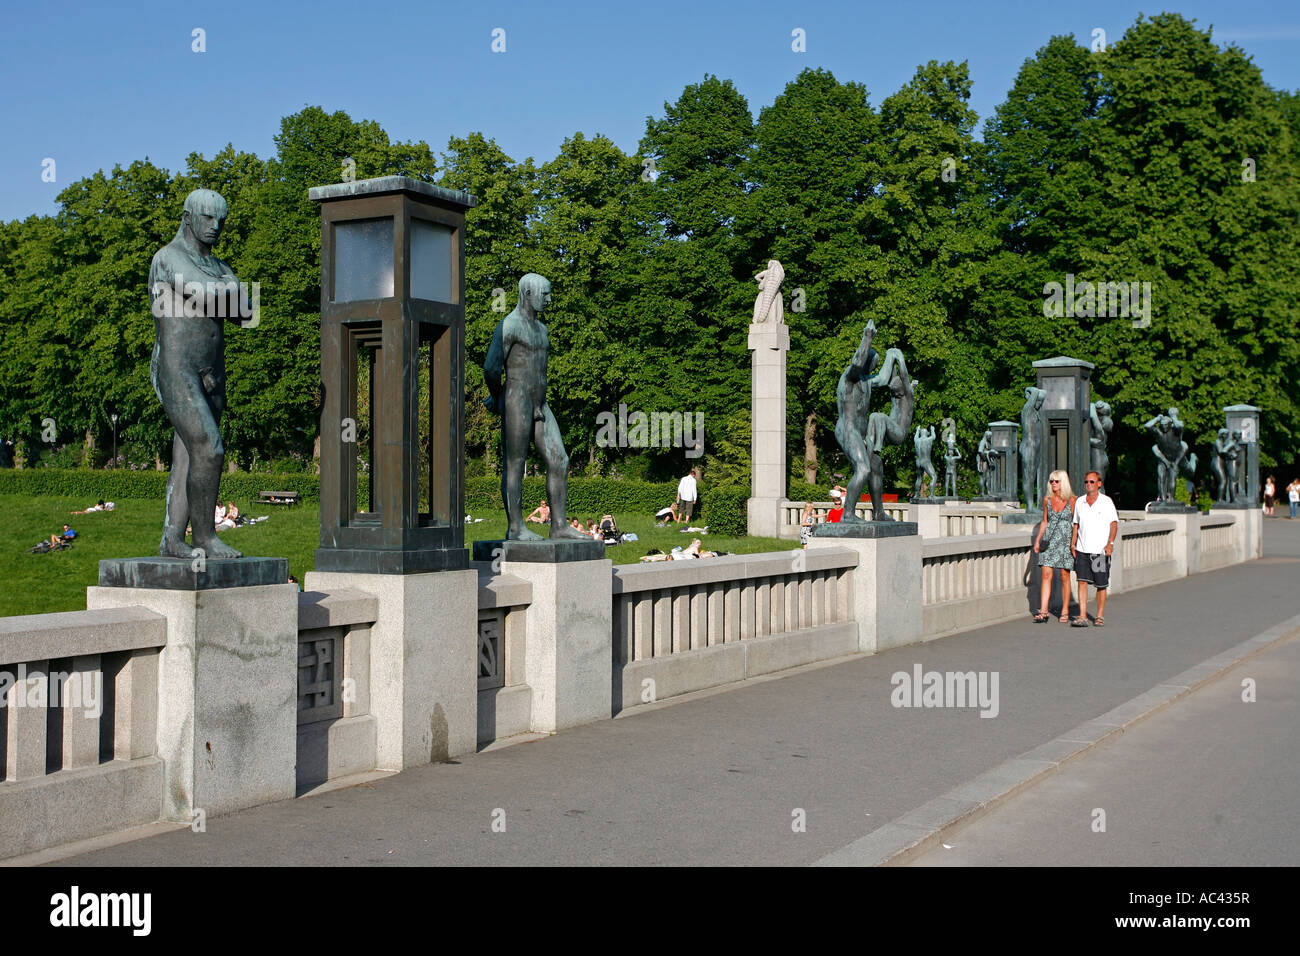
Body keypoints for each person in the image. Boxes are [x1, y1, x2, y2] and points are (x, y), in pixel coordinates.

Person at [150, 188, 252, 560]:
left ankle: (172, 539)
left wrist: (229, 290)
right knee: (210, 449)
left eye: (221, 220)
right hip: (178, 369)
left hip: (212, 374)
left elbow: (246, 315)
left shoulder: (219, 265)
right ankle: (205, 537)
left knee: (188, 457)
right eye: (208, 218)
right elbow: (208, 295)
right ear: (188, 217)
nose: (215, 226)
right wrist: (231, 288)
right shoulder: (168, 258)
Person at [483, 274, 588, 542]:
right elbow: (491, 367)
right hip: (516, 397)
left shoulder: (542, 330)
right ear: (528, 293)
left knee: (560, 460)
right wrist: (498, 398)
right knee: (516, 462)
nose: (549, 299)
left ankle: (559, 525)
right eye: (546, 294)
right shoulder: (509, 325)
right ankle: (516, 527)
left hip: (540, 402)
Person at [1070, 471, 1118, 627]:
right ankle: (1082, 616)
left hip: (1099, 552)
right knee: (1082, 581)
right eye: (1086, 482)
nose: (1088, 485)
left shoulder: (1106, 502)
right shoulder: (1080, 502)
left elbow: (1113, 524)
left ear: (1099, 483)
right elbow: (1076, 524)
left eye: (1091, 482)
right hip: (1082, 549)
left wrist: (1110, 543)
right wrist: (1073, 543)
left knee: (1101, 584)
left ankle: (1099, 615)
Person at [1032, 470, 1076, 623]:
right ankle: (1044, 611)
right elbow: (1045, 521)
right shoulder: (1047, 500)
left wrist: (1075, 543)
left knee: (1064, 575)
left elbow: (1077, 523)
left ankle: (1065, 610)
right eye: (1051, 481)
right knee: (1046, 574)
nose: (1053, 484)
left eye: (1056, 481)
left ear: (1063, 482)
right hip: (1049, 540)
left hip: (1065, 540)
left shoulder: (1072, 500)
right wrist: (1038, 540)